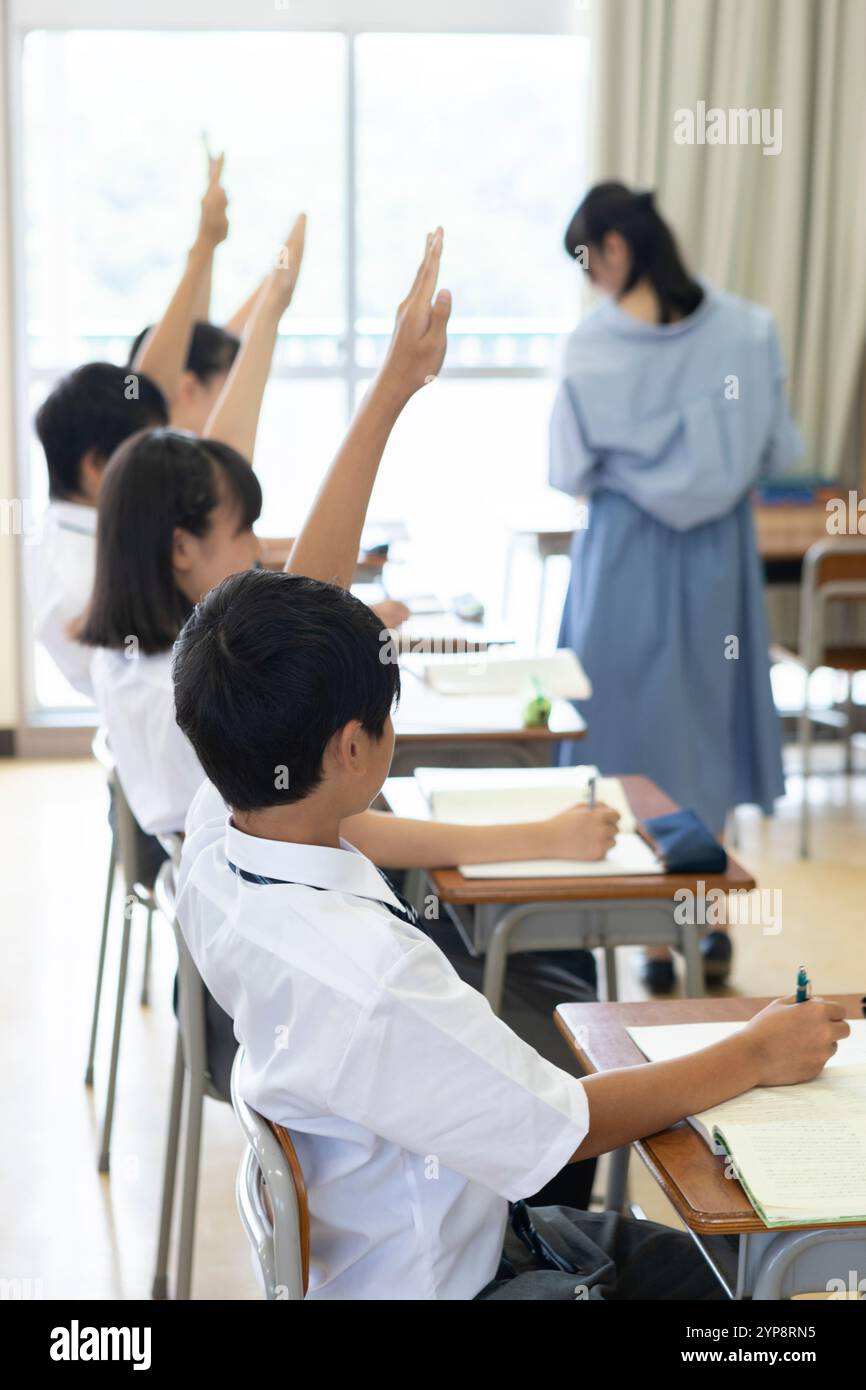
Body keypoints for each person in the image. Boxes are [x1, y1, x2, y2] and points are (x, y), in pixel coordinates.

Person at [79, 234, 615, 1196]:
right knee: (540, 991)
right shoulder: (196, 706)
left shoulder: (208, 744)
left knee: (515, 962)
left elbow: (304, 594)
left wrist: (378, 380)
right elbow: (562, 1125)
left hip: (264, 1001)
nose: (265, 552)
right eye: (243, 533)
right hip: (289, 1028)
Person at [172, 565, 848, 1300]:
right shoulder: (375, 980)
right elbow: (566, 1125)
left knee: (708, 1270)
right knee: (756, 1295)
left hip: (412, 1246)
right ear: (351, 749)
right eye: (387, 716)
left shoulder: (213, 848)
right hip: (458, 1282)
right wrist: (753, 1051)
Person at [550, 182, 803, 992]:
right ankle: (703, 918)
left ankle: (645, 930)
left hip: (624, 551)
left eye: (586, 262)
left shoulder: (590, 346)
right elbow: (780, 450)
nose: (590, 281)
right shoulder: (750, 331)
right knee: (705, 730)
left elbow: (567, 471)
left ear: (613, 250)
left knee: (620, 733)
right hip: (717, 559)